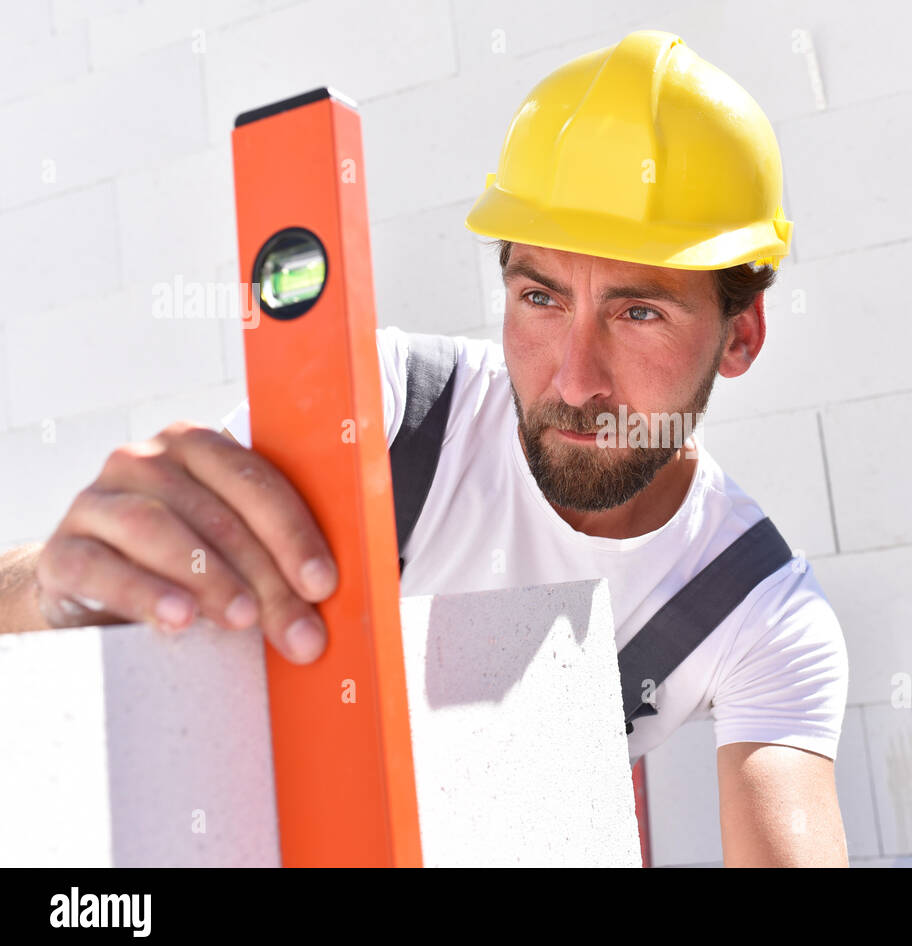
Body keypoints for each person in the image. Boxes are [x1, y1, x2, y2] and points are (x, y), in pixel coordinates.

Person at [0, 30, 849, 866]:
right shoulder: (384, 414)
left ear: (740, 337)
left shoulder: (758, 609)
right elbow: (47, 604)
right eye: (541, 298)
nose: (574, 379)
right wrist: (55, 589)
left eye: (639, 313)